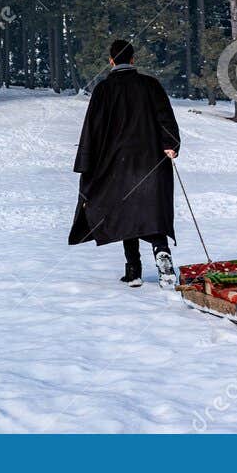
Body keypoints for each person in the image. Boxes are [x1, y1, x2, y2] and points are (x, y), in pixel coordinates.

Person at [68, 39, 180, 288]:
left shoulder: (103, 90)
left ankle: (133, 270)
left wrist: (88, 164)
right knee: (150, 210)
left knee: (125, 211)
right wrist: (171, 144)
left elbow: (92, 131)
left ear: (111, 61)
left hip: (116, 165)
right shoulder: (150, 85)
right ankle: (162, 255)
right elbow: (165, 118)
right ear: (132, 59)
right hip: (151, 161)